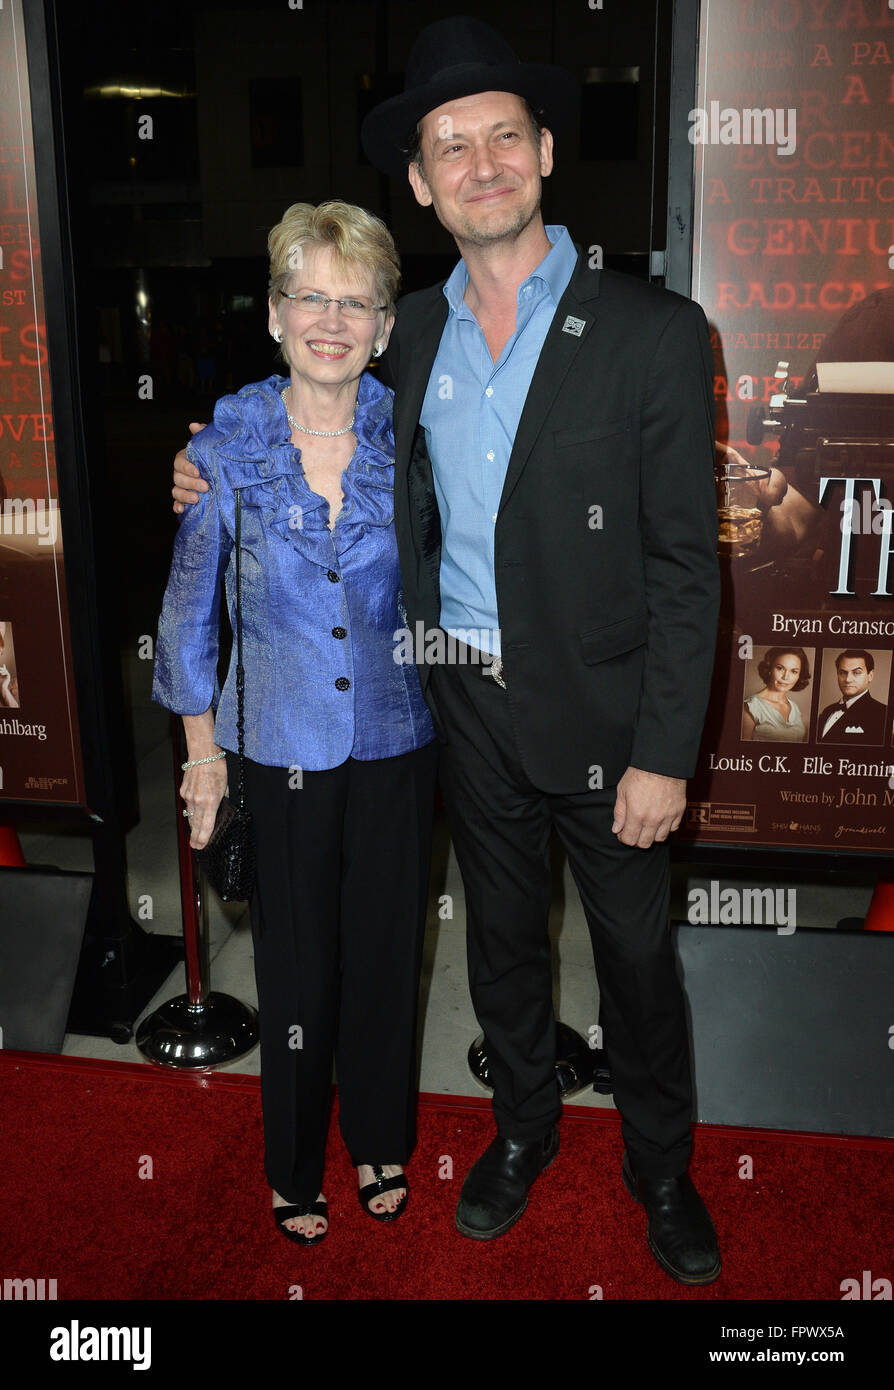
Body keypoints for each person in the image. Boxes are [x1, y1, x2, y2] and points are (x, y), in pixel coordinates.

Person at [173, 17, 722, 1285]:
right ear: (418, 181)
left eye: (501, 138)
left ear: (541, 153)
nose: (479, 164)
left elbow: (690, 565)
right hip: (454, 696)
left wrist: (662, 753)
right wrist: (210, 465)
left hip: (605, 711)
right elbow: (292, 412)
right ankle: (522, 1133)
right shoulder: (403, 331)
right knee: (501, 948)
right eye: (447, 146)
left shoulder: (650, 329)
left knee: (637, 958)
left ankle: (661, 1169)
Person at [154, 200, 438, 1245]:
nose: (332, 318)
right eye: (309, 296)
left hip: (399, 741)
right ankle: (290, 1161)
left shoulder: (414, 438)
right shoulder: (225, 446)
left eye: (353, 299)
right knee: (296, 963)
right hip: (277, 748)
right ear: (274, 313)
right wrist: (201, 760)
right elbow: (188, 616)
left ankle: (377, 1135)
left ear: (385, 322)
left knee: (383, 950)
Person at [817, 650, 888, 745]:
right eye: (842, 672)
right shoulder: (827, 711)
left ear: (870, 675)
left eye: (857, 672)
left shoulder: (884, 714)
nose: (848, 679)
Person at [742, 647, 810, 742]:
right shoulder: (750, 706)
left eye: (794, 671)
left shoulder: (795, 707)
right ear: (769, 669)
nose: (786, 677)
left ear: (799, 676)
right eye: (780, 668)